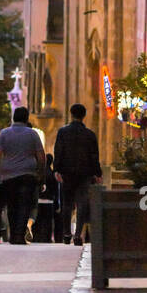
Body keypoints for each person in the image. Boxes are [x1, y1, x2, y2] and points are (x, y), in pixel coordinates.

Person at [0, 107, 45, 245]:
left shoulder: (4, 133)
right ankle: (19, 235)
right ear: (27, 118)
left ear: (14, 117)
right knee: (24, 205)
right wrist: (40, 172)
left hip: (8, 175)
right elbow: (41, 156)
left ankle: (13, 234)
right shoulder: (33, 134)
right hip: (28, 175)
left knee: (11, 205)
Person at [53, 103, 102, 246]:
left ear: (71, 114)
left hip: (67, 173)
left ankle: (66, 233)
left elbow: (58, 151)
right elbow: (94, 156)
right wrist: (97, 173)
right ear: (84, 116)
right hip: (85, 174)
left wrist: (56, 169)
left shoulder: (63, 132)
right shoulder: (90, 135)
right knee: (82, 204)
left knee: (67, 204)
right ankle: (77, 235)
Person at [33, 154, 61, 243]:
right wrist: (57, 204)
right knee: (47, 223)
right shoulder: (53, 175)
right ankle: (46, 238)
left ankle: (36, 237)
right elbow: (56, 191)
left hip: (38, 201)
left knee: (37, 221)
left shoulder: (39, 173)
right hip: (49, 202)